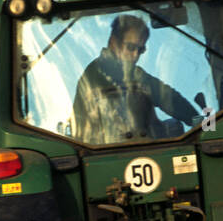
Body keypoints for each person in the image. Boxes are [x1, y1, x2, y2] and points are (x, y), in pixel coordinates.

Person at [72, 14, 199, 144]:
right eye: (131, 47)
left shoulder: (131, 73)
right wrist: (208, 126)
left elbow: (171, 98)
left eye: (141, 49)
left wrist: (206, 124)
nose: (135, 55)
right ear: (113, 42)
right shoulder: (99, 75)